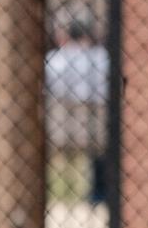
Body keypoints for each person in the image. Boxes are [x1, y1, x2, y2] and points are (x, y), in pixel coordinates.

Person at [45, 19, 110, 204]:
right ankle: (98, 193)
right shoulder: (100, 56)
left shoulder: (57, 58)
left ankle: (58, 194)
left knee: (60, 155)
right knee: (98, 153)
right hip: (96, 110)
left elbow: (50, 84)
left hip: (64, 111)